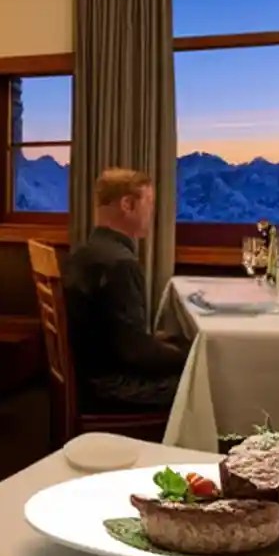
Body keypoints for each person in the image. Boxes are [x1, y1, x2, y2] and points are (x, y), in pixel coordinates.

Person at [64, 168, 188, 409]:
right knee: (201, 382)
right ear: (128, 204)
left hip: (89, 374)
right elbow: (135, 353)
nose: (151, 213)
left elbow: (122, 336)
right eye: (149, 203)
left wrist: (167, 345)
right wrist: (191, 357)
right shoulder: (120, 263)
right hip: (110, 386)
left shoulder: (84, 252)